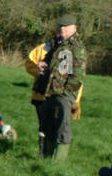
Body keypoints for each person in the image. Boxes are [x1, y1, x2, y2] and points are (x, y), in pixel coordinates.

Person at [31, 15, 86, 161]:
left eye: (65, 27)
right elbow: (56, 65)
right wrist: (43, 65)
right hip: (51, 91)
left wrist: (68, 93)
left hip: (64, 93)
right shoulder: (59, 44)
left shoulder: (76, 47)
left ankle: (59, 160)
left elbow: (78, 74)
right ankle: (47, 157)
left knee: (62, 126)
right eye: (60, 27)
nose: (62, 30)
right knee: (48, 124)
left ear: (74, 28)